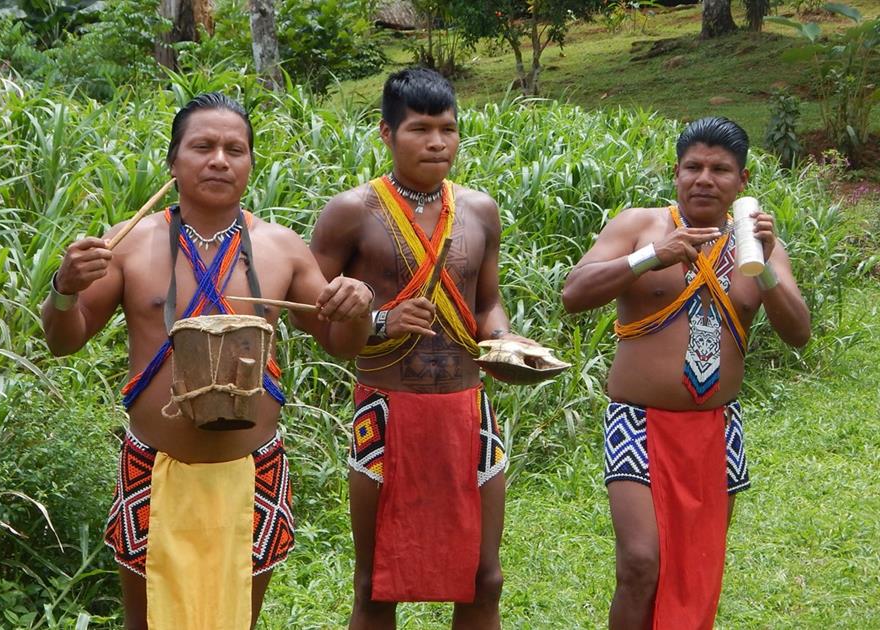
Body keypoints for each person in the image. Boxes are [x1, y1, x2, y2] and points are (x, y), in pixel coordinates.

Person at [41, 92, 373, 630]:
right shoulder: (127, 243)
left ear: (249, 165)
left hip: (253, 470)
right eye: (202, 146)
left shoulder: (281, 247)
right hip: (154, 468)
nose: (219, 159)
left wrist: (356, 305)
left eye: (234, 149)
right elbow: (64, 340)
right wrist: (62, 288)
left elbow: (340, 341)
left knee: (237, 618)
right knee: (144, 622)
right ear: (173, 163)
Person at [561, 116, 810, 630]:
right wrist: (653, 256)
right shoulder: (640, 225)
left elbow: (798, 333)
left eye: (720, 169)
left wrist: (761, 263)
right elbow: (574, 293)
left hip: (717, 429)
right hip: (636, 423)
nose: (704, 178)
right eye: (693, 166)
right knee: (640, 563)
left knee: (698, 567)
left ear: (742, 182)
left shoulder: (759, 245)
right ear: (675, 172)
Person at [311, 67, 537, 630]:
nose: (437, 142)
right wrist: (381, 319)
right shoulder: (352, 212)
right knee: (376, 585)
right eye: (419, 129)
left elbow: (488, 302)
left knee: (485, 581)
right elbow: (313, 313)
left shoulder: (480, 210)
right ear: (386, 134)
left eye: (447, 128)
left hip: (468, 409)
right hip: (386, 411)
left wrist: (505, 341)